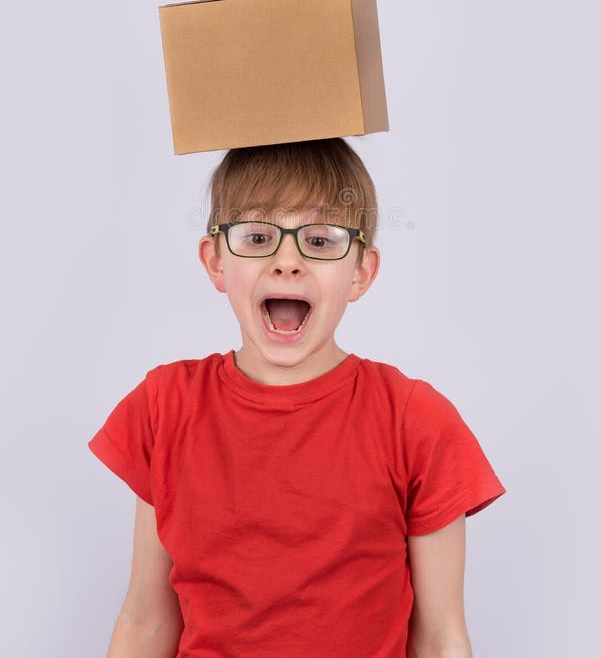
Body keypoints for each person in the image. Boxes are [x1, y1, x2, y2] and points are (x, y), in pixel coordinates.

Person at [88, 137, 506, 657]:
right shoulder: (164, 407)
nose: (287, 262)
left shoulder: (415, 420)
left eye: (322, 240)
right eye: (258, 236)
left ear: (362, 272)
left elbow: (441, 636)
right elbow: (147, 621)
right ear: (215, 261)